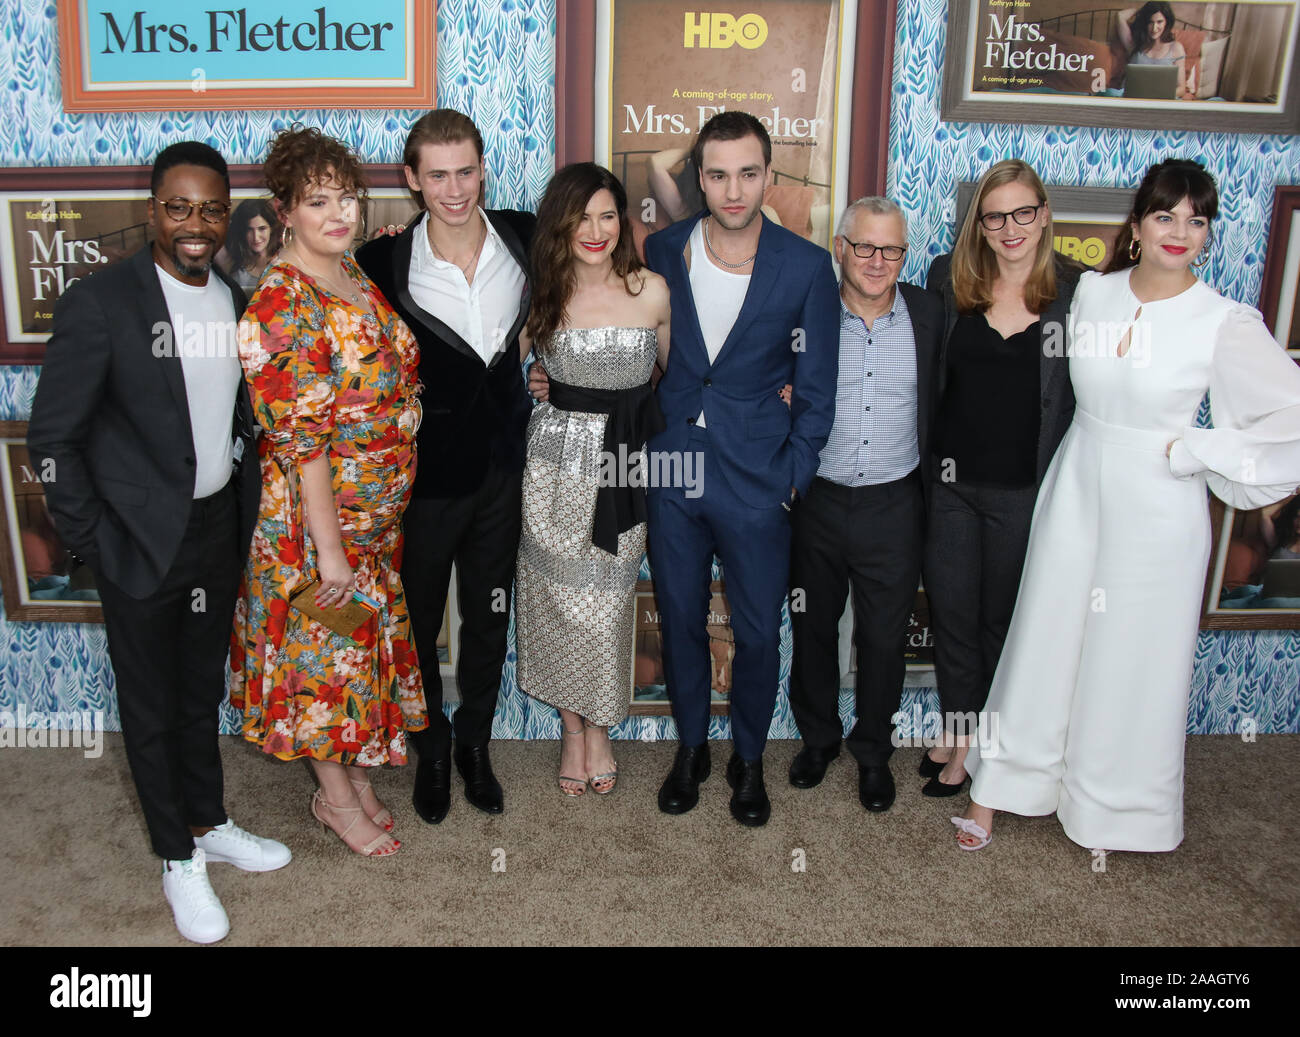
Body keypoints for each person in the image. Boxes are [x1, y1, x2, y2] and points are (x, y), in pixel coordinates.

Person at [953, 159, 1300, 852]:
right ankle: (1000, 788)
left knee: (1133, 655)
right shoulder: (1093, 296)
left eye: (1197, 220)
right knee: (1043, 637)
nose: (1181, 231)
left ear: (1207, 233)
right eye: (1166, 215)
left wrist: (1197, 451)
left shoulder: (1223, 320)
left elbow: (1288, 422)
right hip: (1076, 484)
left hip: (1159, 507)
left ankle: (1113, 812)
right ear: (1137, 225)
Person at [28, 141, 290, 944]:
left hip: (215, 529)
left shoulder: (232, 298)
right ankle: (176, 856)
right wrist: (95, 541)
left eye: (211, 208)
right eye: (178, 207)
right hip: (137, 540)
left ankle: (207, 819)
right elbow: (52, 438)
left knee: (196, 689)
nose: (196, 224)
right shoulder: (101, 302)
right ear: (152, 209)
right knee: (147, 705)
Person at [622, 111, 839, 826]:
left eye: (749, 172)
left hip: (758, 475)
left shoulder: (806, 266)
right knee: (679, 616)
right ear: (700, 178)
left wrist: (792, 477)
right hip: (676, 464)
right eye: (717, 173)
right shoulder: (665, 246)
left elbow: (816, 392)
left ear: (769, 176)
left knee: (757, 630)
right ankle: (692, 748)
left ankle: (748, 756)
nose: (734, 188)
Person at [229, 126, 426, 857]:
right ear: (284, 209)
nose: (340, 212)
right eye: (319, 200)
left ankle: (354, 778)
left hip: (371, 519)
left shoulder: (347, 271)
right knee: (320, 662)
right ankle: (335, 799)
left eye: (348, 196)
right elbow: (303, 445)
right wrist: (332, 553)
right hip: (314, 530)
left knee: (351, 655)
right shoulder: (281, 303)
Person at [356, 109, 535, 822]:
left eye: (465, 171)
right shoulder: (380, 261)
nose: (455, 188)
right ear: (412, 179)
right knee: (420, 618)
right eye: (437, 175)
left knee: (490, 615)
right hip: (423, 481)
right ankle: (430, 750)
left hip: (503, 471)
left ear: (483, 168)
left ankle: (475, 746)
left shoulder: (526, 237)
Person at [922, 159, 1084, 798]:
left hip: (1026, 490)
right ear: (979, 224)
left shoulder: (1078, 292)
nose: (1011, 227)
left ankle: (985, 747)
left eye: (1024, 212)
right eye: (996, 216)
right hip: (952, 488)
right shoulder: (947, 280)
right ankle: (960, 733)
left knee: (1004, 626)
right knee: (954, 620)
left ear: (1044, 215)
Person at [514, 163, 670, 795]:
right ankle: (573, 729)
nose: (596, 229)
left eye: (608, 214)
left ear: (623, 221)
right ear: (561, 224)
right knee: (555, 601)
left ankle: (599, 728)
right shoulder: (542, 295)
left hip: (624, 464)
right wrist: (535, 385)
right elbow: (500, 371)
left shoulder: (653, 291)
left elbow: (682, 379)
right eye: (582, 217)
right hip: (555, 466)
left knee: (604, 605)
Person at [785, 197, 943, 812]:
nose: (878, 261)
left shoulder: (932, 317)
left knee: (884, 639)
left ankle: (874, 752)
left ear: (905, 253)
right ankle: (818, 740)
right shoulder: (808, 315)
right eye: (865, 247)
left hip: (895, 504)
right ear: (840, 249)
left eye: (893, 249)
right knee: (812, 629)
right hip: (816, 500)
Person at [1119, 2, 1187, 97]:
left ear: (1166, 22)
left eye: (1159, 22)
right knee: (1107, 93)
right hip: (1132, 98)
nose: (1154, 28)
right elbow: (1120, 16)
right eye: (1150, 22)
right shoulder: (1134, 44)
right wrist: (1142, 12)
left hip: (1161, 101)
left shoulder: (1176, 48)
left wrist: (1158, 97)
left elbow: (1181, 89)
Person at [216, 199, 281, 291]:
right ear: (242, 231)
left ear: (272, 229)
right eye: (249, 230)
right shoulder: (231, 261)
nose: (256, 238)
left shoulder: (285, 259)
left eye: (262, 229)